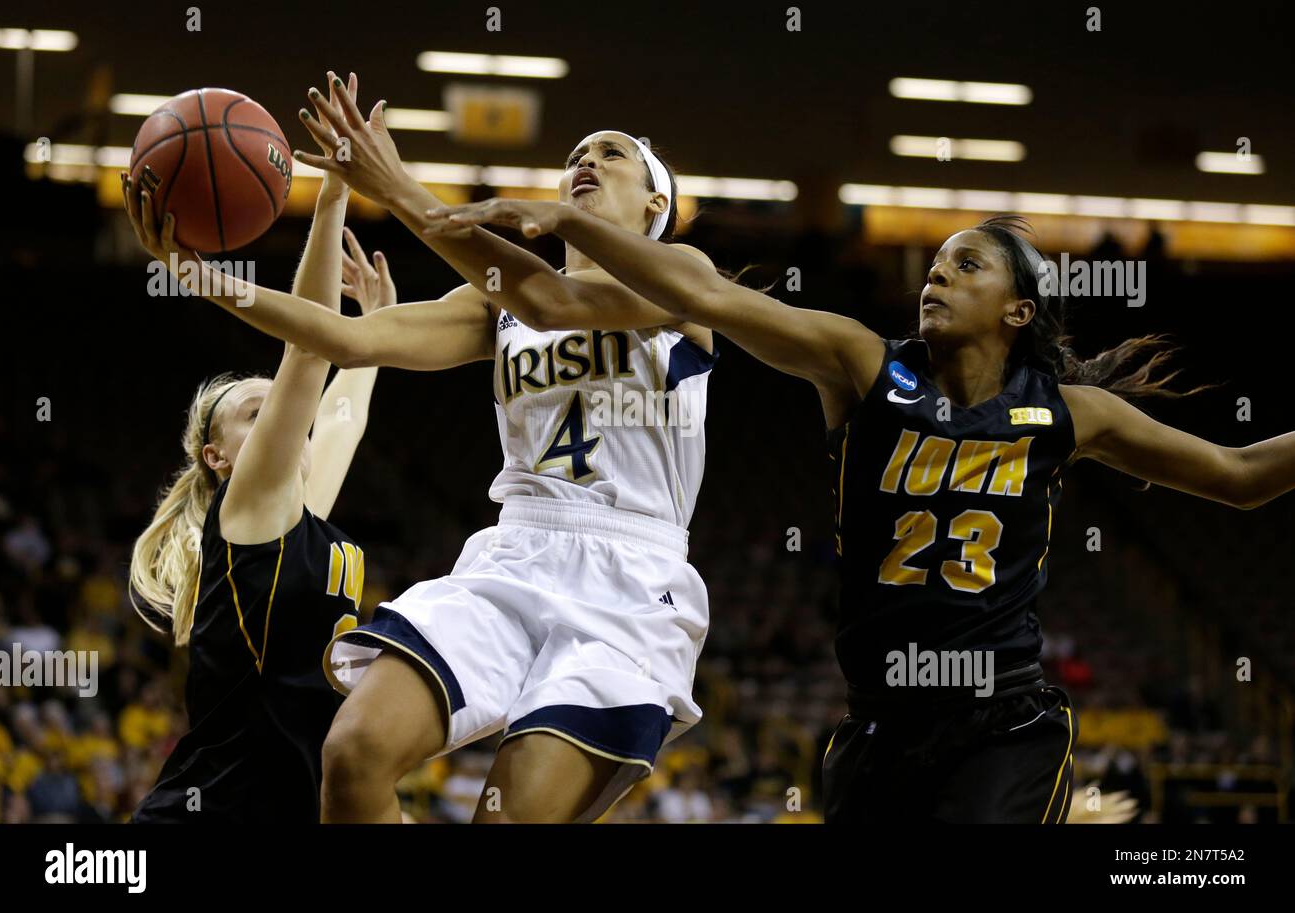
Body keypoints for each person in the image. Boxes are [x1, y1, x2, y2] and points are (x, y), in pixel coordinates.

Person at [423, 197, 1295, 822]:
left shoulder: (1069, 413)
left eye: (966, 265)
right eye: (937, 263)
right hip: (879, 723)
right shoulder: (863, 365)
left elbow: (1242, 472)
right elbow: (710, 300)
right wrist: (573, 224)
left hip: (1007, 723)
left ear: (1017, 310)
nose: (937, 276)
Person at [123, 71, 720, 823]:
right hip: (516, 553)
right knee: (353, 754)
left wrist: (395, 183)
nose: (585, 161)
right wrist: (198, 275)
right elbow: (341, 338)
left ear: (656, 204)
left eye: (611, 154)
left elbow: (551, 299)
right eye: (575, 154)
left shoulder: (685, 280)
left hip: (630, 582)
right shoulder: (492, 307)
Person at [126, 75, 382, 822]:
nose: (281, 416)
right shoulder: (251, 511)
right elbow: (308, 354)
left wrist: (371, 332)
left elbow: (339, 415)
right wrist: (331, 197)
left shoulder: (297, 514)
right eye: (253, 411)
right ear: (219, 457)